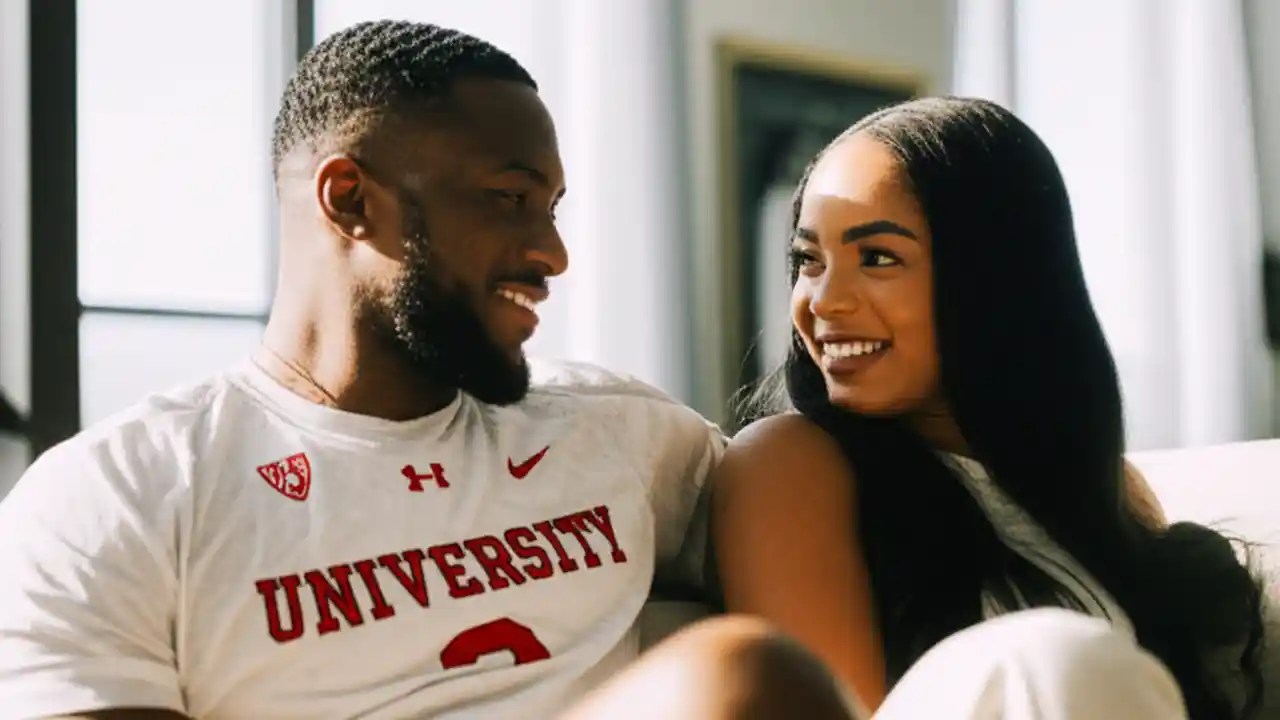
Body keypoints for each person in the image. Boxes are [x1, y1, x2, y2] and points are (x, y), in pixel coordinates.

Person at [0, 21, 858, 720]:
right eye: (508, 199)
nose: (552, 253)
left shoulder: (623, 435)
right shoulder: (118, 495)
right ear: (348, 199)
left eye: (553, 209)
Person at [712, 97, 1267, 718]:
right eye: (808, 260)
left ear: (994, 278)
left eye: (877, 258)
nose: (824, 300)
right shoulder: (789, 464)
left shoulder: (1105, 490)